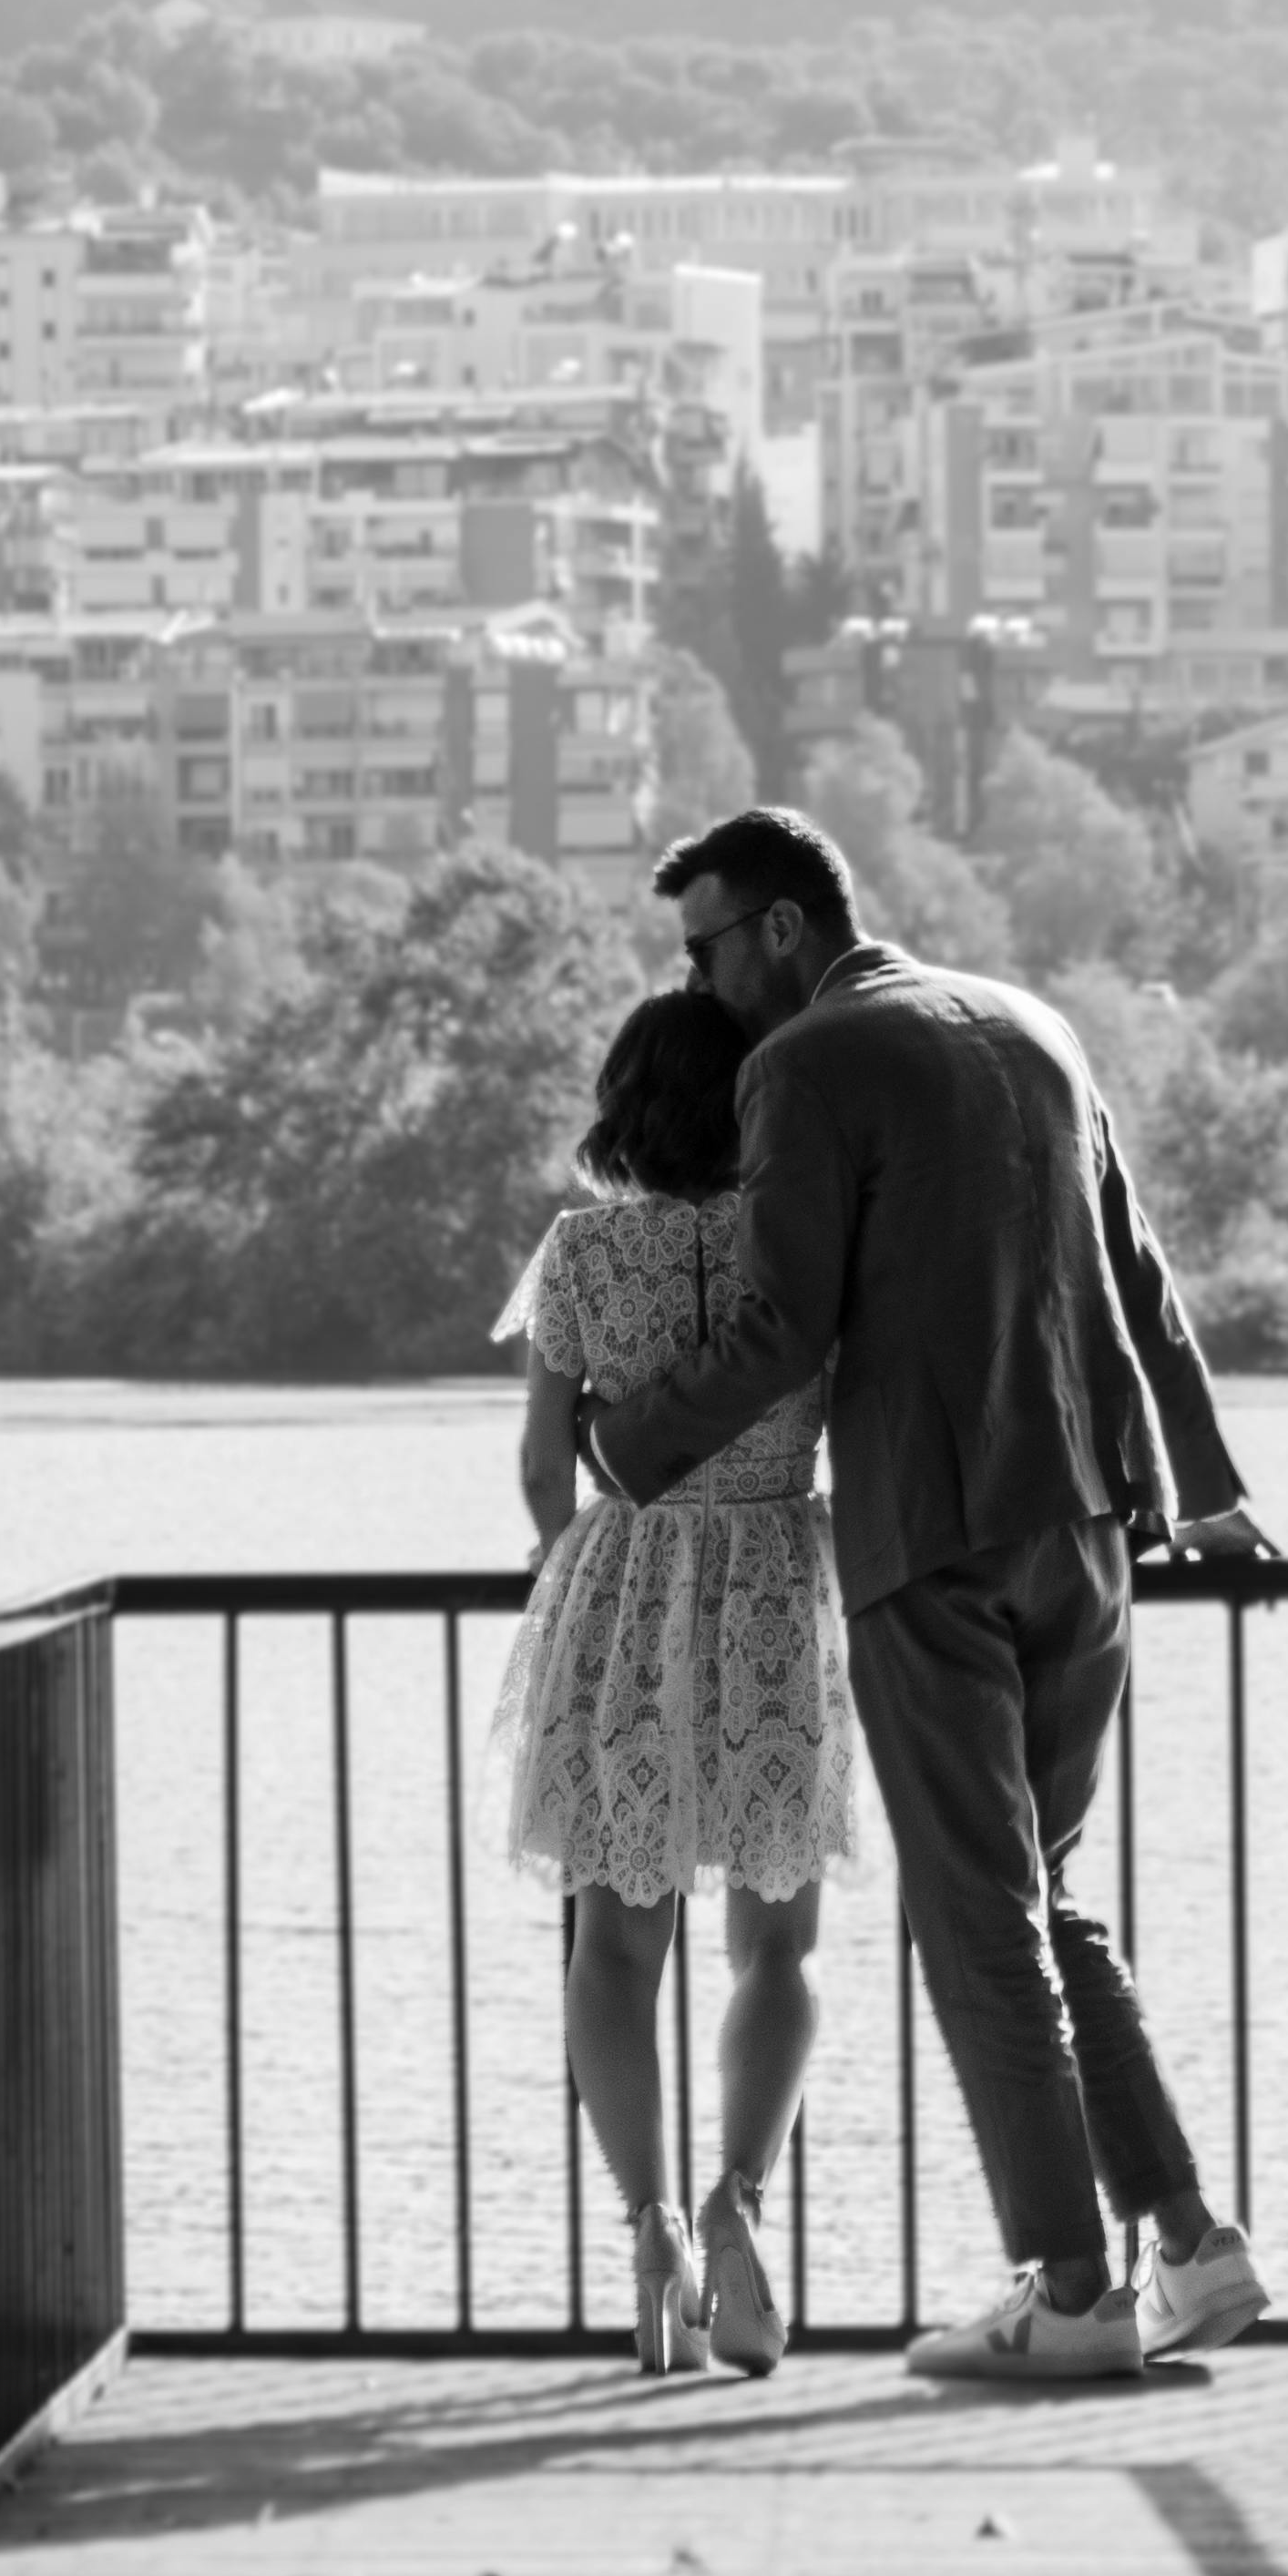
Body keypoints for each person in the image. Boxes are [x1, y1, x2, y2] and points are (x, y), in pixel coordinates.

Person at [582, 803, 1276, 2384]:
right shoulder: (1037, 1025)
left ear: (778, 929)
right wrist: (1213, 1492)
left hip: (935, 1539)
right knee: (1049, 1891)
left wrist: (625, 1451)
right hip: (1095, 1523)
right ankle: (1189, 2239)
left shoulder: (804, 1066)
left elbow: (780, 1324)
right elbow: (1140, 1272)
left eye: (703, 945)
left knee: (981, 1917)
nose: (692, 983)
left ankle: (1072, 2286)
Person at [490, 989, 855, 2379]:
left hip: (625, 1593)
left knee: (616, 1948)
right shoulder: (796, 1240)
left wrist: (569, 1566)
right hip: (773, 1584)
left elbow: (540, 1468)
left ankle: (651, 2234)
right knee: (778, 1944)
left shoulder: (581, 1251)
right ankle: (740, 2200)